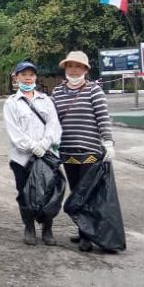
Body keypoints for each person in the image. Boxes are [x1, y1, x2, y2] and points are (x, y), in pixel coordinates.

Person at [51, 50, 115, 252]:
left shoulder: (94, 91)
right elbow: (53, 121)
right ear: (65, 69)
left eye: (78, 66)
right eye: (70, 66)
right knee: (76, 193)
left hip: (89, 151)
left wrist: (108, 141)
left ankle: (88, 235)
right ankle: (82, 230)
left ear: (85, 70)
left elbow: (102, 118)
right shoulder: (57, 92)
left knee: (88, 194)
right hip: (67, 152)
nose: (74, 70)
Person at [3, 61, 62, 246]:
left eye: (31, 74)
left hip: (46, 156)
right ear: (17, 77)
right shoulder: (11, 103)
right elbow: (14, 132)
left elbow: (54, 125)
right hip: (22, 159)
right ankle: (29, 227)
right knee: (25, 193)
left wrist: (44, 145)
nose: (28, 77)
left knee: (48, 192)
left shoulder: (46, 100)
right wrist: (32, 146)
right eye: (23, 74)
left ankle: (47, 229)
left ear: (36, 77)